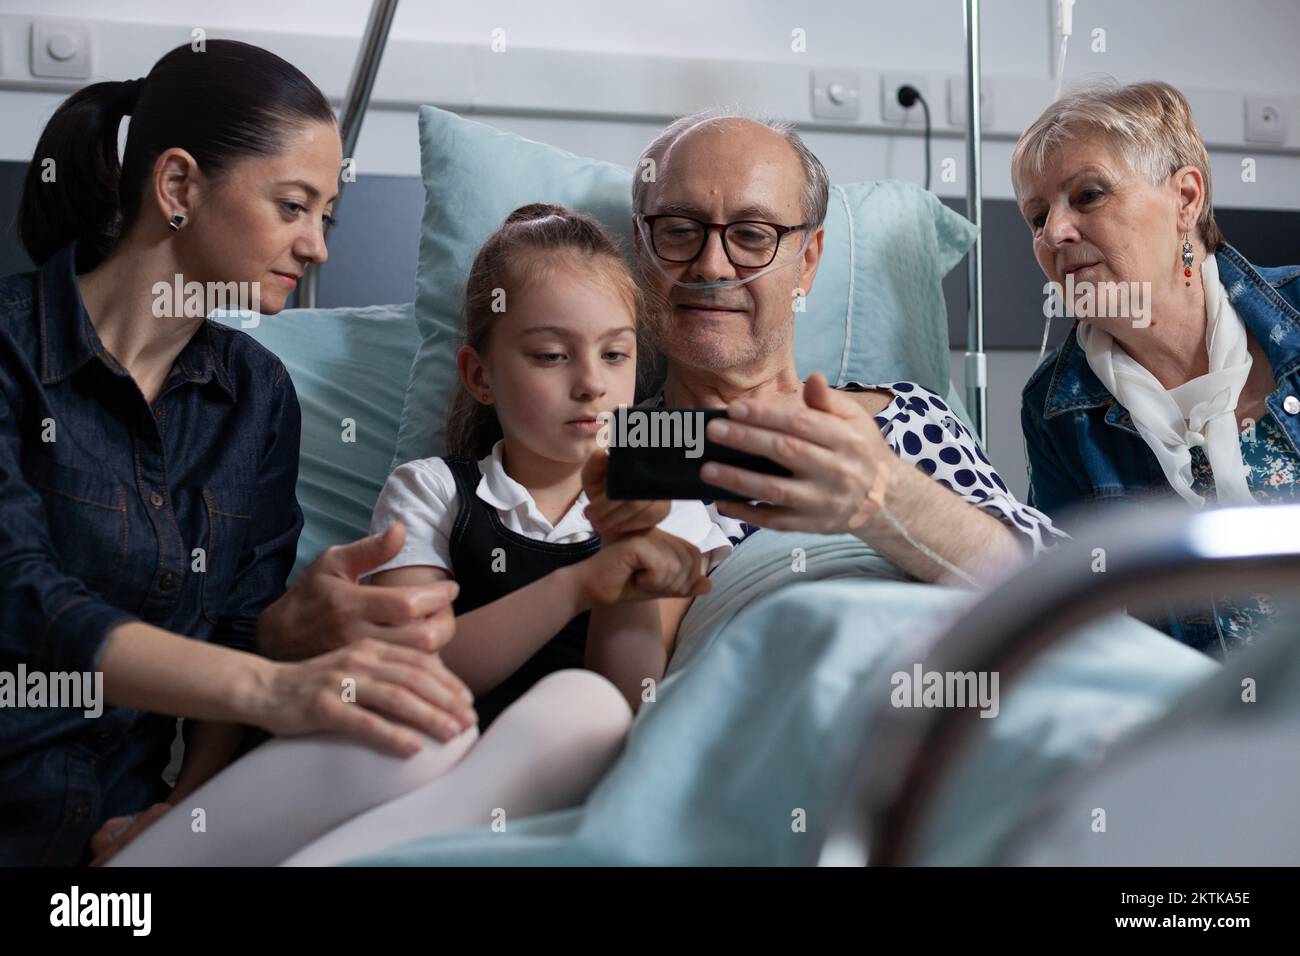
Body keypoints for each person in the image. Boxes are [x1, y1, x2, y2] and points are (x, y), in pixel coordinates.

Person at [105, 204, 726, 867]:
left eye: (615, 353)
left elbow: (632, 703)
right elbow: (419, 670)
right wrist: (574, 588)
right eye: (551, 355)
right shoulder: (432, 488)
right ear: (480, 375)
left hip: (540, 783)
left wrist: (622, 563)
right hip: (405, 755)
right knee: (424, 731)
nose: (592, 384)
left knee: (587, 709)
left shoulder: (668, 501)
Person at [0, 40, 468, 867]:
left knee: (418, 747)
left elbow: (241, 630)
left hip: (128, 835)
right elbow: (26, 598)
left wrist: (183, 812)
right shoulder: (10, 351)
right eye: (293, 207)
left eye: (326, 216)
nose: (318, 245)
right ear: (178, 186)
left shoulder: (255, 398)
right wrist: (278, 688)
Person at [629, 109, 1064, 583]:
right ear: (641, 245)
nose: (712, 266)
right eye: (678, 230)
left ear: (808, 262)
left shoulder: (906, 420)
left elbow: (1053, 591)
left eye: (752, 235)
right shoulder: (627, 444)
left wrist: (884, 494)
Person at [1014, 80, 1300, 656]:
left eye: (1089, 195)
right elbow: (1078, 618)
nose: (1056, 232)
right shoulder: (1057, 410)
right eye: (1037, 216)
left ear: (1186, 199)